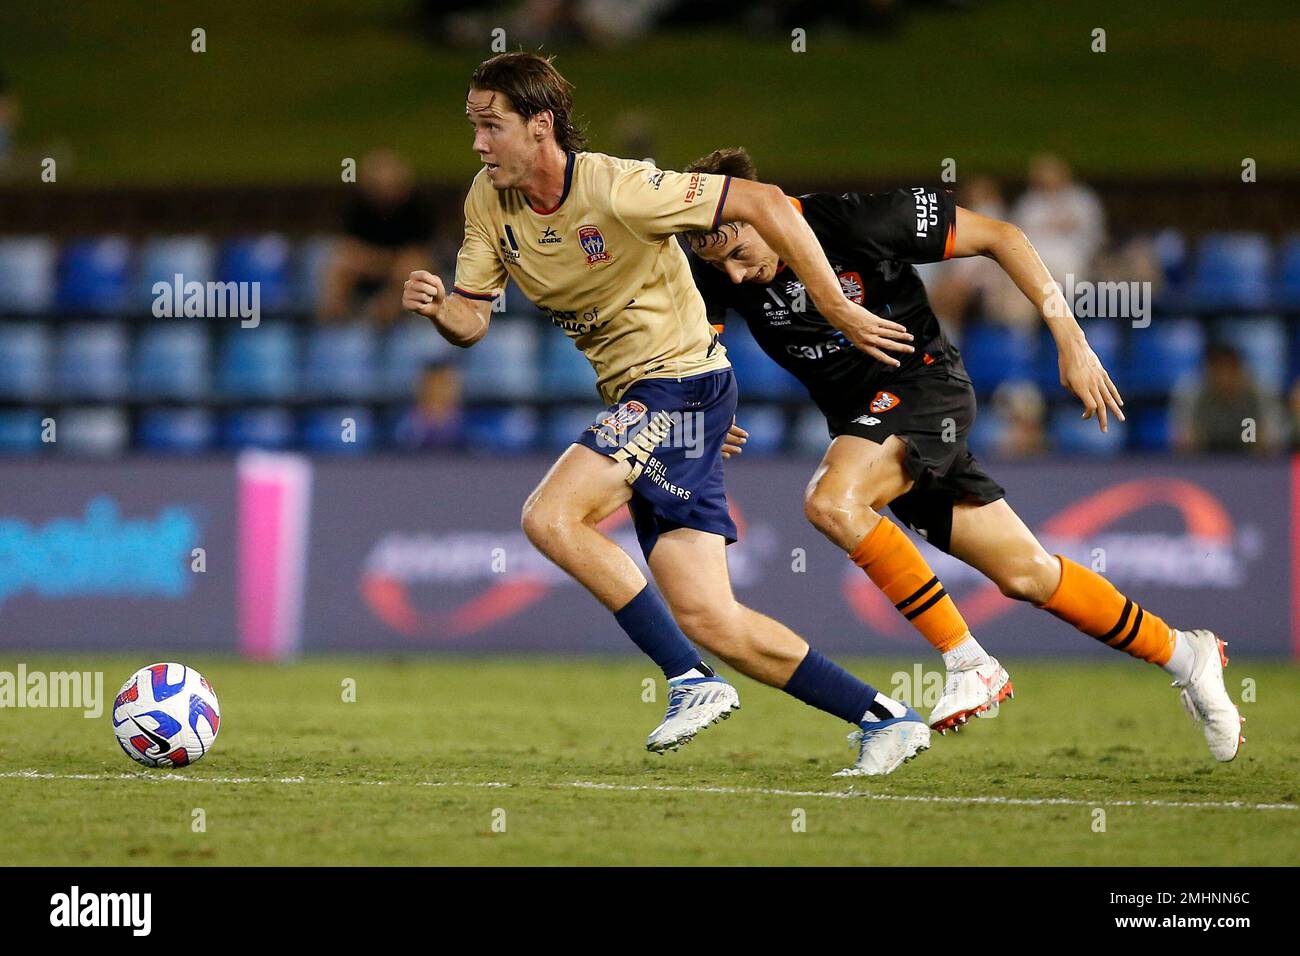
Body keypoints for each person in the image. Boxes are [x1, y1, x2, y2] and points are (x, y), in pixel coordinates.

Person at [402, 52, 930, 776]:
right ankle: (886, 717)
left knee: (551, 517)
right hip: (661, 401)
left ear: (540, 126)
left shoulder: (620, 188)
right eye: (473, 127)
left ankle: (690, 680)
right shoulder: (488, 201)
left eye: (491, 127)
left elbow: (767, 202)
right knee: (716, 621)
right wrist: (442, 310)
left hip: (678, 385)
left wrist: (837, 306)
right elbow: (471, 322)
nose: (478, 144)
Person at [684, 146, 1242, 762]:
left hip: (925, 392)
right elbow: (705, 354)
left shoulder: (857, 221)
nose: (733, 275)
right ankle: (1186, 653)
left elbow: (1002, 236)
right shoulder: (714, 265)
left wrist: (1072, 339)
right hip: (869, 427)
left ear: (769, 213)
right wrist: (712, 413)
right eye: (719, 263)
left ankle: (967, 661)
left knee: (831, 501)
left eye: (739, 255)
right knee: (1028, 574)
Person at [320, 149, 434, 324]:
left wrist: (391, 263)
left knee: (412, 267)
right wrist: (378, 261)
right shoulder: (357, 207)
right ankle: (334, 322)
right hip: (369, 264)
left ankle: (383, 315)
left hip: (400, 269)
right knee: (340, 265)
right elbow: (349, 247)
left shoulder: (417, 208)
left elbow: (420, 254)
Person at [1171, 342, 1284, 455]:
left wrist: (1260, 440)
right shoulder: (1191, 393)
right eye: (1218, 370)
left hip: (1250, 464)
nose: (1224, 377)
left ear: (1240, 370)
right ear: (1208, 371)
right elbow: (1184, 443)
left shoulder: (1259, 393)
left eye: (1230, 369)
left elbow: (1271, 442)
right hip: (1205, 464)